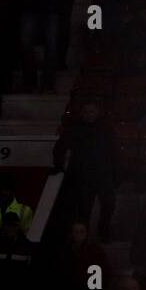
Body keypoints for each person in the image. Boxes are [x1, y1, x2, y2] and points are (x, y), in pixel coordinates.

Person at [53, 98, 117, 241]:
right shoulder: (75, 128)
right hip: (82, 176)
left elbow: (115, 151)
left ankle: (104, 230)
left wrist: (115, 173)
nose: (89, 114)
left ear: (98, 112)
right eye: (86, 112)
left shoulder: (106, 128)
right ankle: (84, 237)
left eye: (92, 111)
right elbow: (60, 148)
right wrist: (58, 166)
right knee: (84, 210)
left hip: (103, 174)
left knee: (109, 203)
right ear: (82, 113)